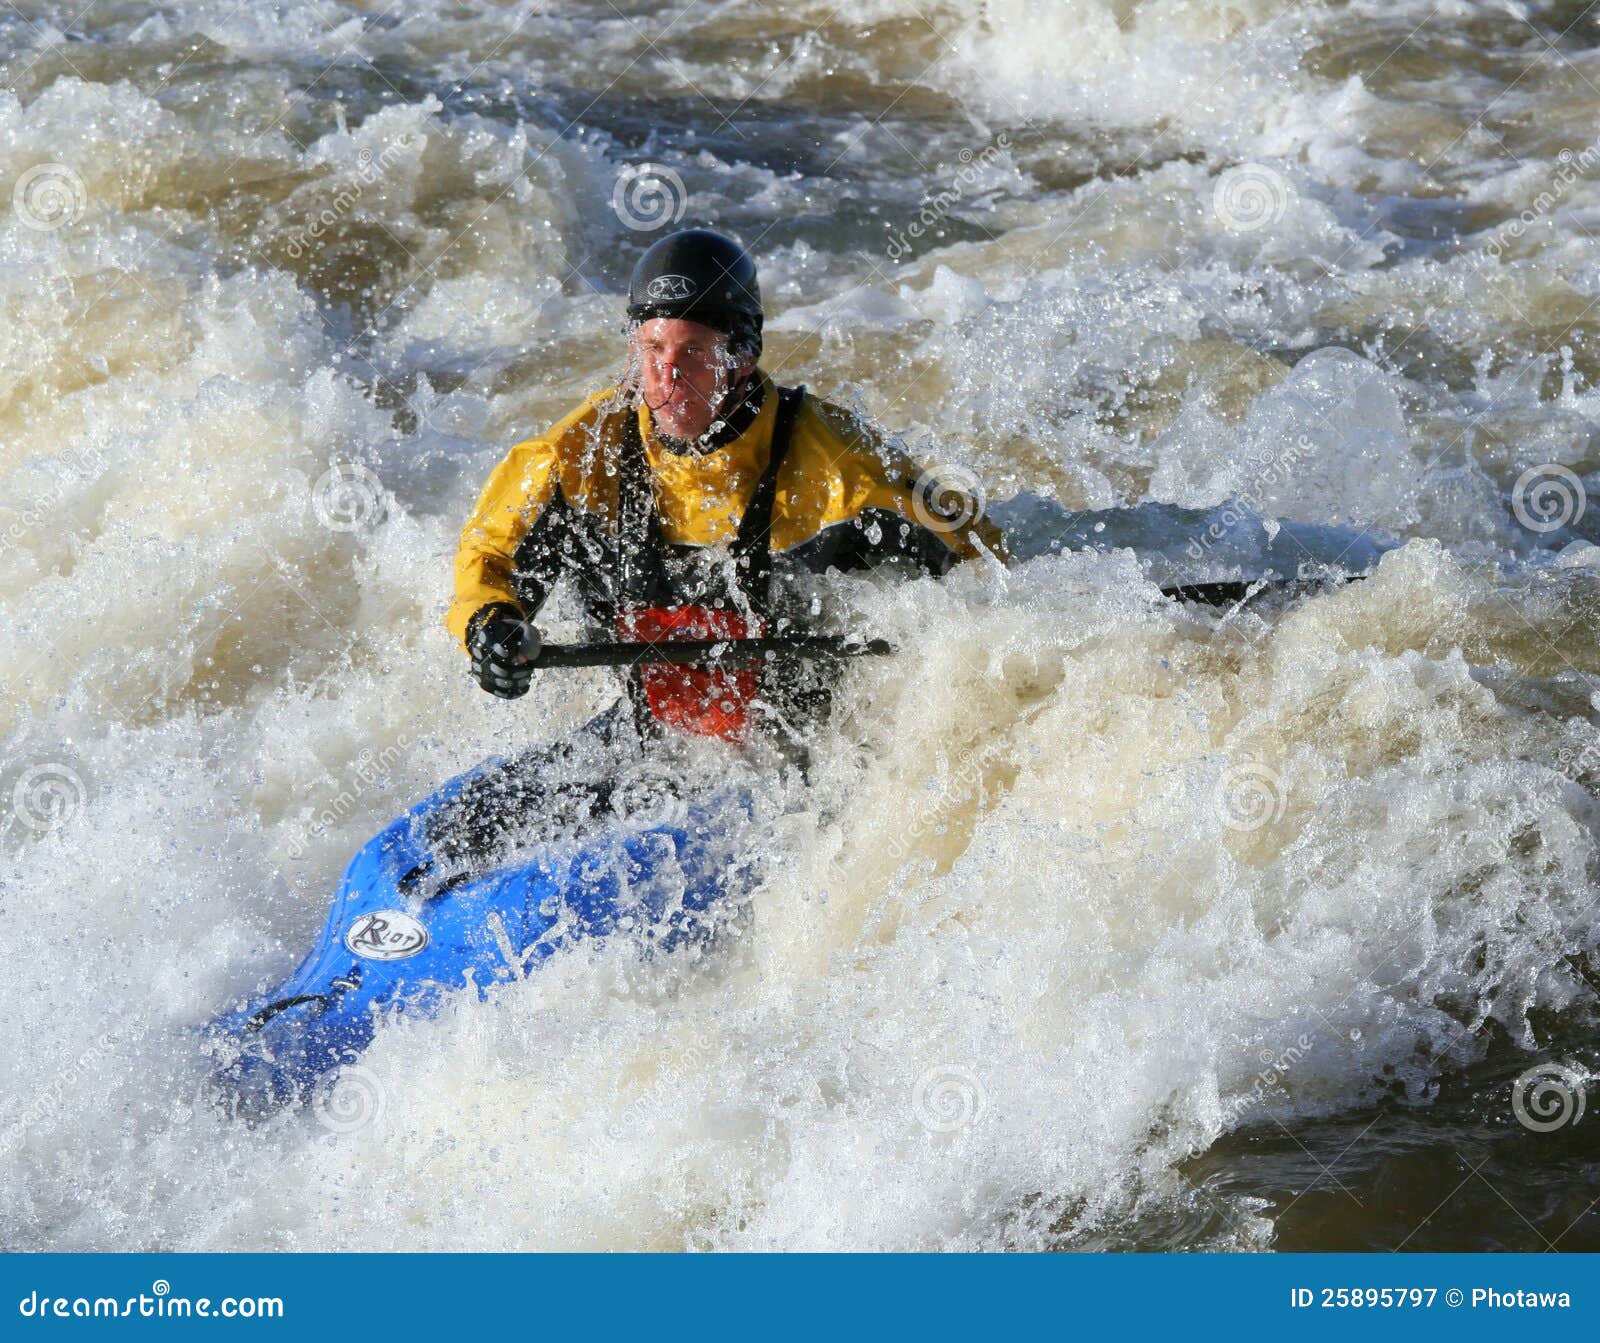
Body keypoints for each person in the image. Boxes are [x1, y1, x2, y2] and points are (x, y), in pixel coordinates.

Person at [428, 227, 999, 872]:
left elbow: (987, 575)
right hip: (646, 741)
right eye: (652, 348)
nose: (667, 377)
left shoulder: (842, 467)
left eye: (694, 352)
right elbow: (489, 554)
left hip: (793, 772)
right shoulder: (583, 451)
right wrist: (489, 628)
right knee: (455, 837)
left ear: (743, 355)